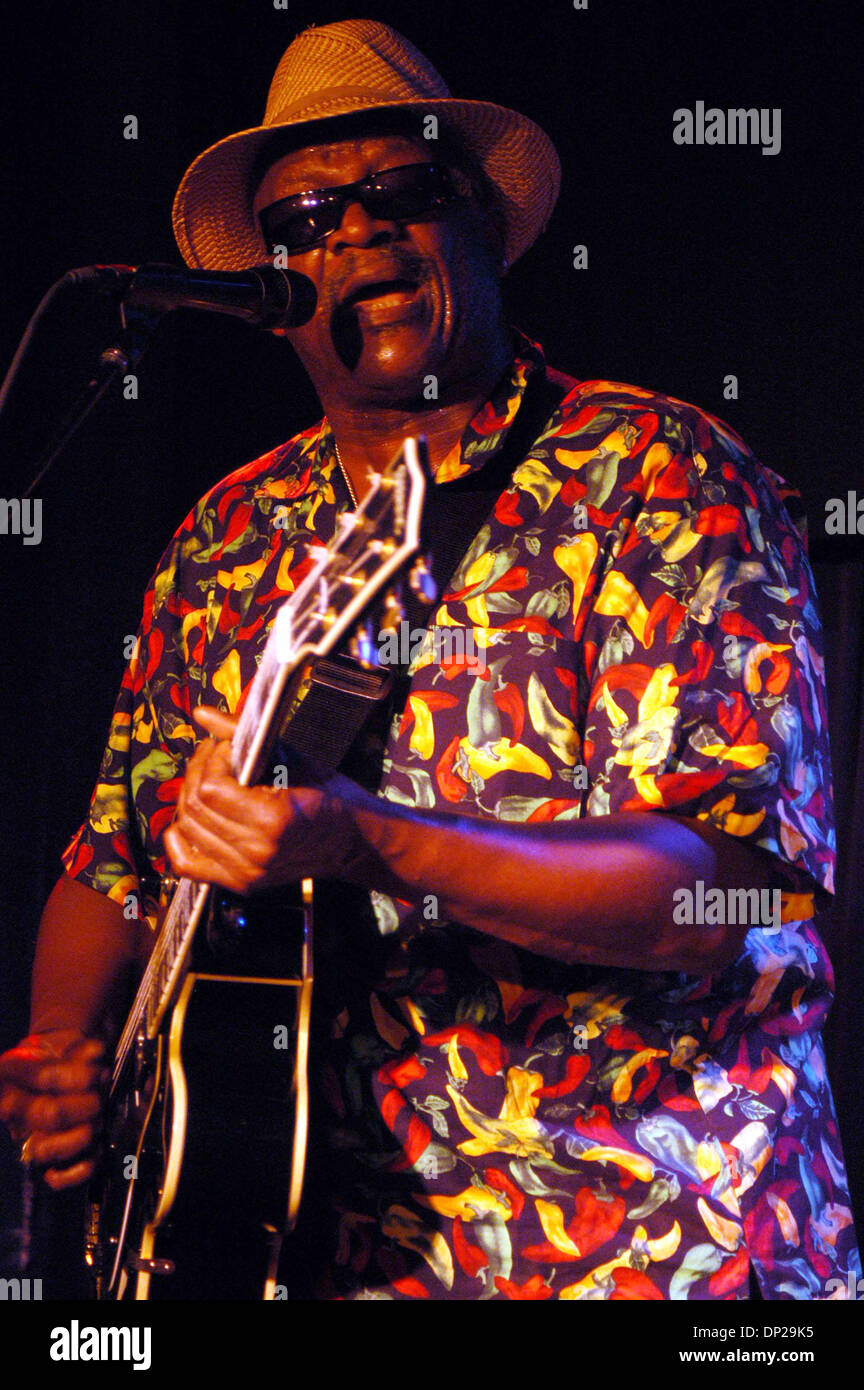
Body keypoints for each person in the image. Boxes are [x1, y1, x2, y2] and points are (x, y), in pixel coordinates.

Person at [0, 18, 859, 1301]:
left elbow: (731, 899)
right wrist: (68, 1056)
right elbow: (116, 865)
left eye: (402, 192)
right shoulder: (229, 536)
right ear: (273, 291)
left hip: (653, 1252)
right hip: (317, 1255)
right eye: (305, 220)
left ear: (480, 227)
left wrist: (373, 840)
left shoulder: (659, 477)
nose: (354, 232)